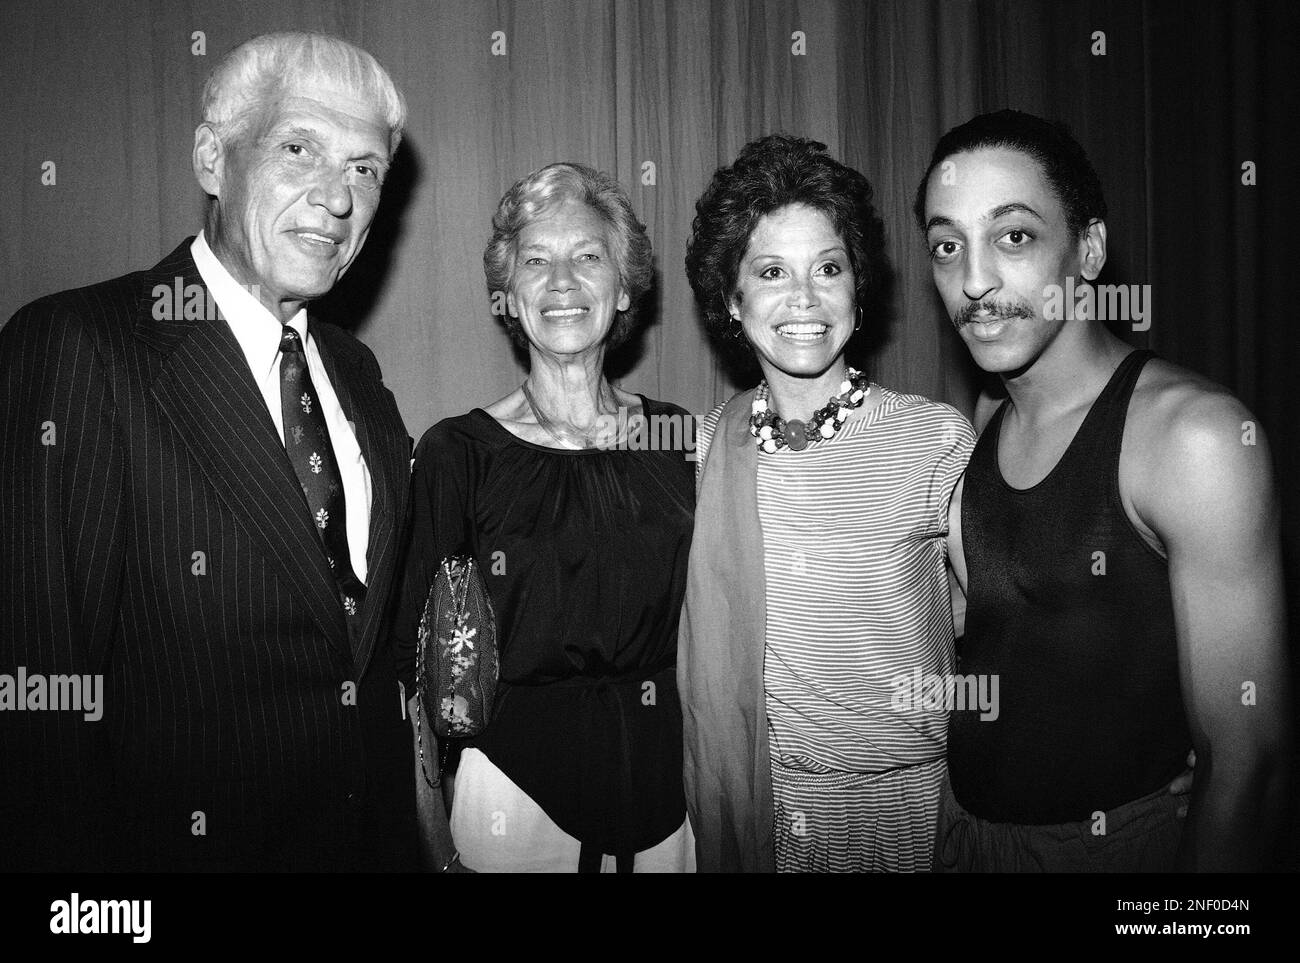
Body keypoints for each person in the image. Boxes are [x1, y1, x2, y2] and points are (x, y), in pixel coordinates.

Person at [0, 32, 416, 871]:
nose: (337, 198)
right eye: (300, 147)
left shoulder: (357, 375)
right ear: (212, 159)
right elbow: (40, 718)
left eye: (365, 169)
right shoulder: (79, 348)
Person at [917, 109, 1290, 872]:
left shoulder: (1194, 437)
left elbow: (1248, 759)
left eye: (1013, 236)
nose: (975, 280)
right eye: (948, 245)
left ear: (1087, 250)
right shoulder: (985, 417)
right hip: (963, 837)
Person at [679, 134, 976, 872]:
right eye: (772, 271)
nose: (805, 298)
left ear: (858, 288)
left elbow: (1007, 626)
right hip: (769, 816)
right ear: (731, 296)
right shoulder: (705, 448)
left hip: (920, 813)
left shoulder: (934, 437)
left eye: (829, 268)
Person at [395, 162, 695, 873]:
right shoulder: (457, 452)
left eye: (588, 257)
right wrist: (436, 845)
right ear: (508, 294)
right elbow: (413, 677)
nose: (562, 282)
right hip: (514, 806)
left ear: (623, 287)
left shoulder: (680, 439)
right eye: (536, 260)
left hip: (672, 802)